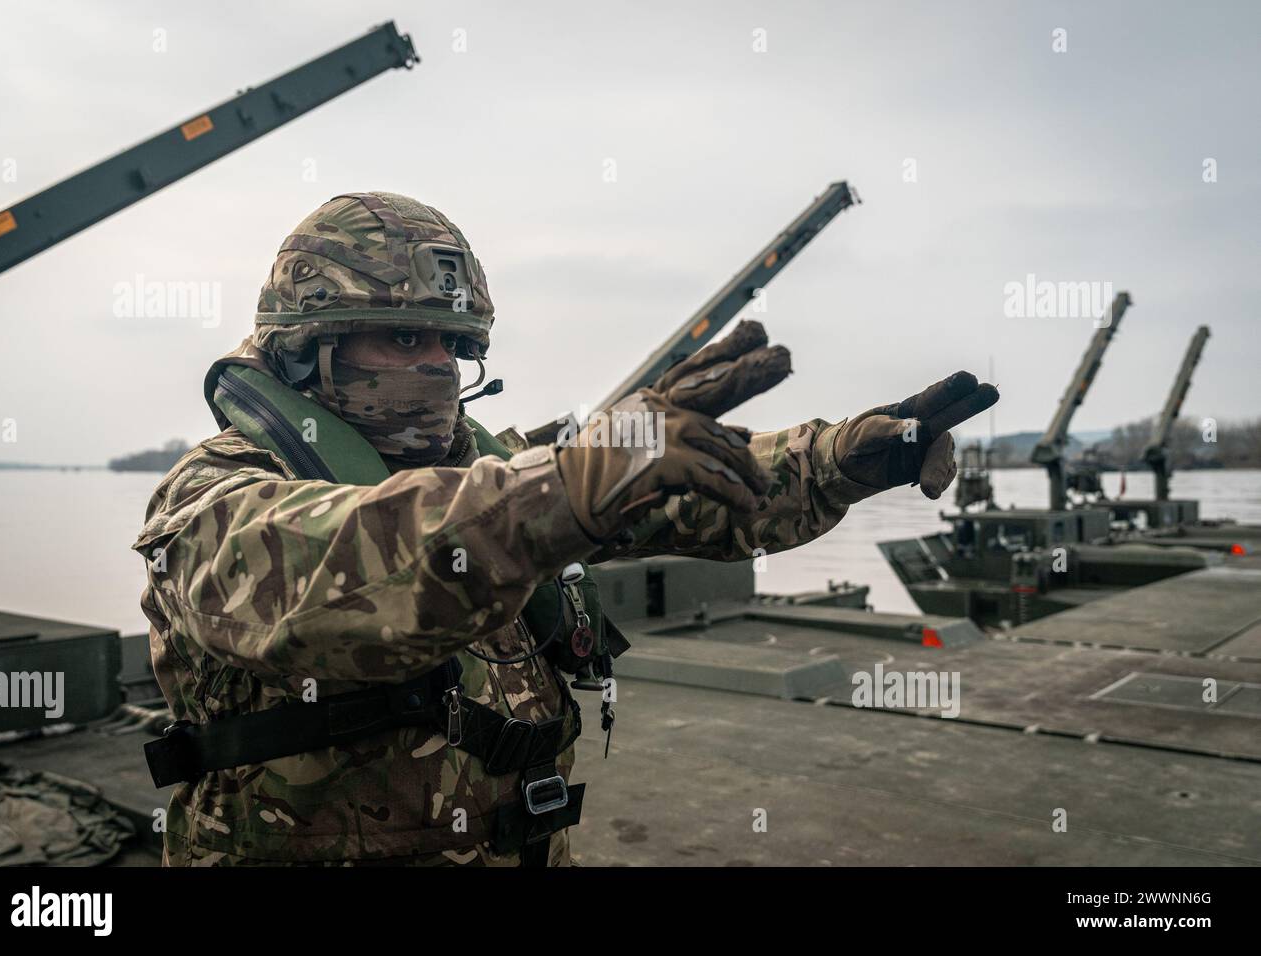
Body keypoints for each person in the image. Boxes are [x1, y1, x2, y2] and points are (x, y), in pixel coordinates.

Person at [133, 191, 998, 866]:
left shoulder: (489, 473)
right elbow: (344, 572)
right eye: (405, 337)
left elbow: (682, 491)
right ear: (304, 350)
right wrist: (571, 485)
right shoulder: (211, 497)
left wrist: (844, 457)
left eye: (455, 345)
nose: (439, 366)